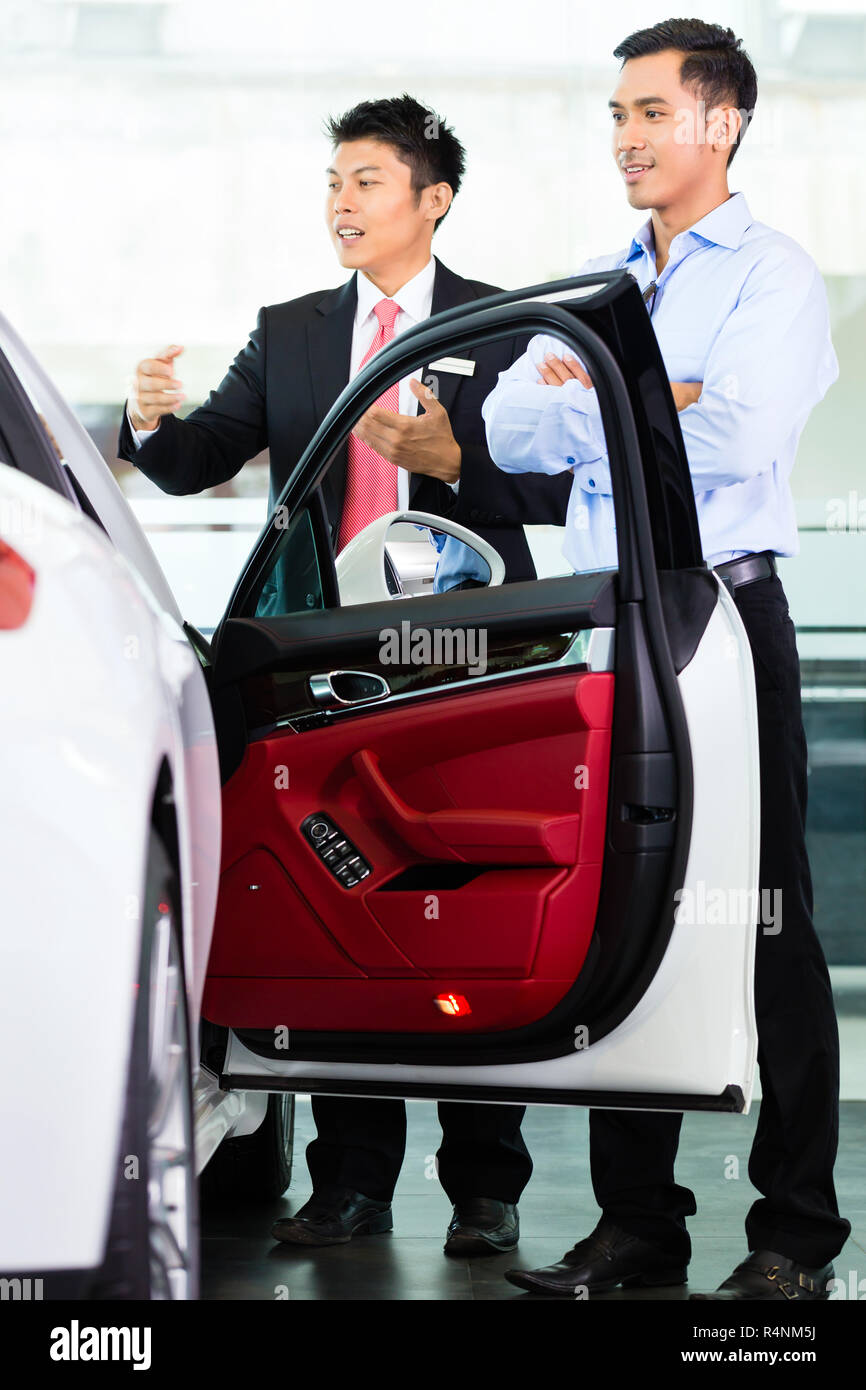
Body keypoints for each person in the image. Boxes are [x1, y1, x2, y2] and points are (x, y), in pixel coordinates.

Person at [118, 94, 560, 1255]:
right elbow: (197, 459)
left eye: (365, 181)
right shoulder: (296, 327)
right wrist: (147, 422)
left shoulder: (506, 327)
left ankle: (484, 1187)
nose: (341, 203)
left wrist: (451, 458)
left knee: (468, 911)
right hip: (328, 662)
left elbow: (555, 484)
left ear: (433, 199)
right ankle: (351, 1181)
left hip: (466, 655)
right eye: (332, 184)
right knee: (339, 905)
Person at [482, 19, 849, 1299]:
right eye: (617, 115)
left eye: (650, 112)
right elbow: (508, 420)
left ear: (720, 122)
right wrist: (647, 401)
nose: (627, 138)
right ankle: (636, 1229)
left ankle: (793, 1236)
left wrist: (609, 405)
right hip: (604, 618)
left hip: (720, 615)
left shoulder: (771, 275)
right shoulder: (599, 281)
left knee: (765, 918)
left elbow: (738, 443)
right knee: (612, 903)